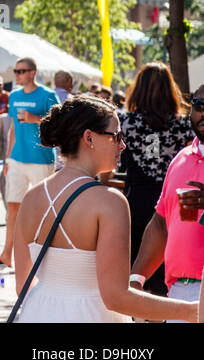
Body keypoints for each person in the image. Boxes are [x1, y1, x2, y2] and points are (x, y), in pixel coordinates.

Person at [12, 95, 195, 322]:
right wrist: (191, 311)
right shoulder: (109, 202)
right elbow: (116, 298)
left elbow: (22, 285)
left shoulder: (31, 197)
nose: (122, 145)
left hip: (37, 312)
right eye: (116, 136)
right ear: (89, 137)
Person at [117, 63, 193, 296]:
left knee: (134, 266)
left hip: (136, 198)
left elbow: (120, 163)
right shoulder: (183, 124)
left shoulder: (126, 122)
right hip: (172, 200)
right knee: (165, 263)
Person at [130, 87, 204, 318]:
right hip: (179, 292)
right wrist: (136, 279)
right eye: (199, 105)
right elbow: (161, 223)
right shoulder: (181, 158)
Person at [2, 57, 60, 270]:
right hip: (17, 158)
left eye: (21, 71)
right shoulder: (14, 96)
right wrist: (7, 159)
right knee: (13, 206)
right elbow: (13, 130)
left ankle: (43, 255)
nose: (17, 75)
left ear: (32, 72)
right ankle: (7, 253)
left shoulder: (47, 95)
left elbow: (58, 124)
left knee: (43, 208)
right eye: (16, 71)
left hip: (41, 158)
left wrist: (35, 118)